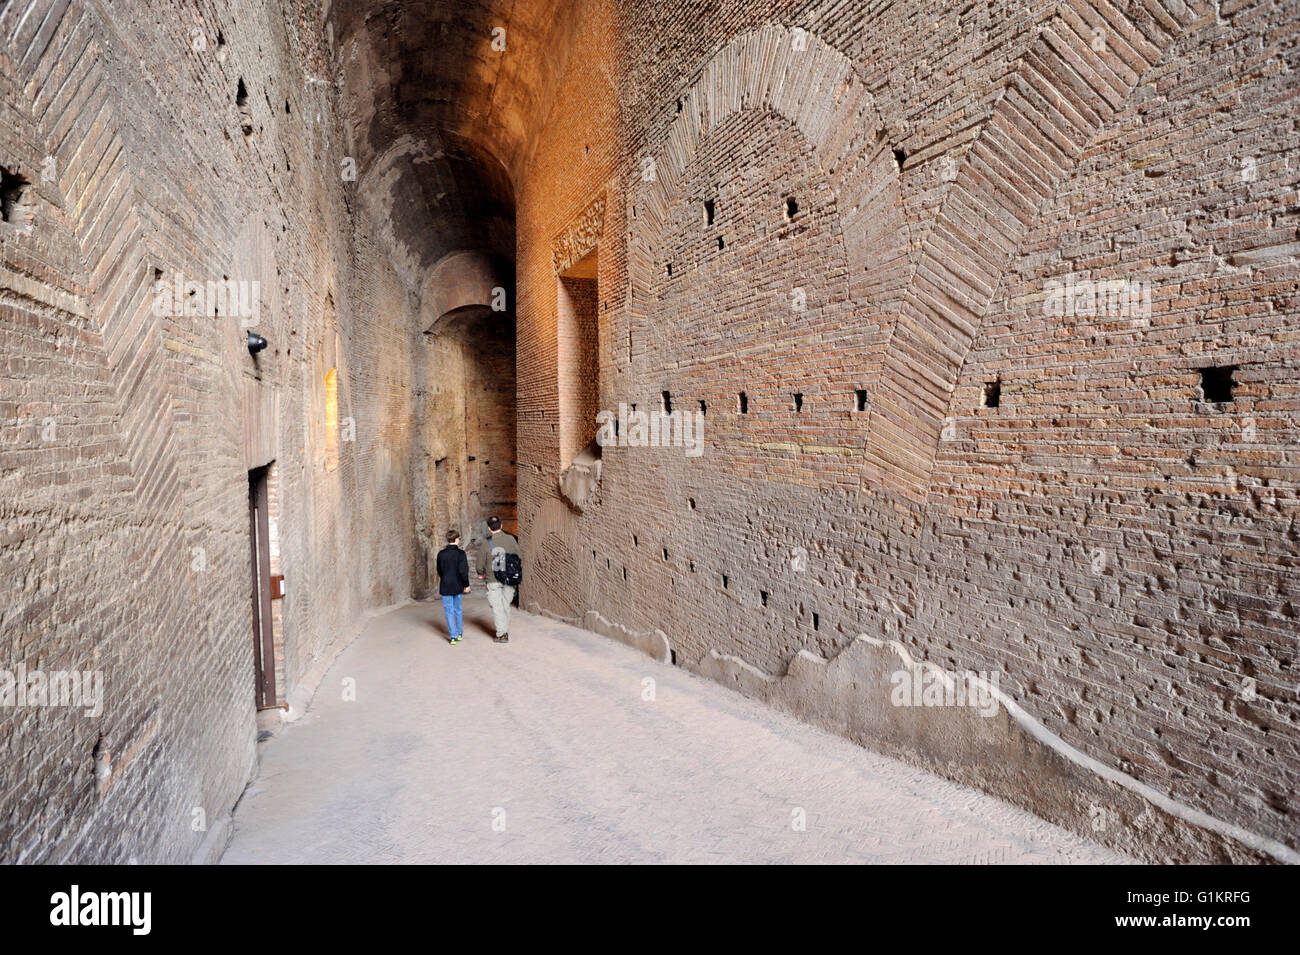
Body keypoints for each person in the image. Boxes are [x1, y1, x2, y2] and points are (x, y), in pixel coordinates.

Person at [476, 516, 519, 643]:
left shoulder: (485, 543)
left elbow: (480, 563)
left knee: (497, 607)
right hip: (509, 578)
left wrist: (480, 573)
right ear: (501, 526)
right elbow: (518, 556)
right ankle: (504, 630)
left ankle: (502, 634)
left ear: (489, 528)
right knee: (505, 605)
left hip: (493, 578)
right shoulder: (511, 539)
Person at [436, 529, 470, 644]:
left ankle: (453, 636)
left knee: (448, 611)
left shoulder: (441, 554)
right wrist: (466, 585)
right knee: (458, 609)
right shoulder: (461, 554)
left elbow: (439, 570)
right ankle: (459, 632)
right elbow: (464, 572)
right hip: (457, 585)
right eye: (459, 538)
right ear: (456, 539)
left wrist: (445, 578)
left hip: (446, 585)